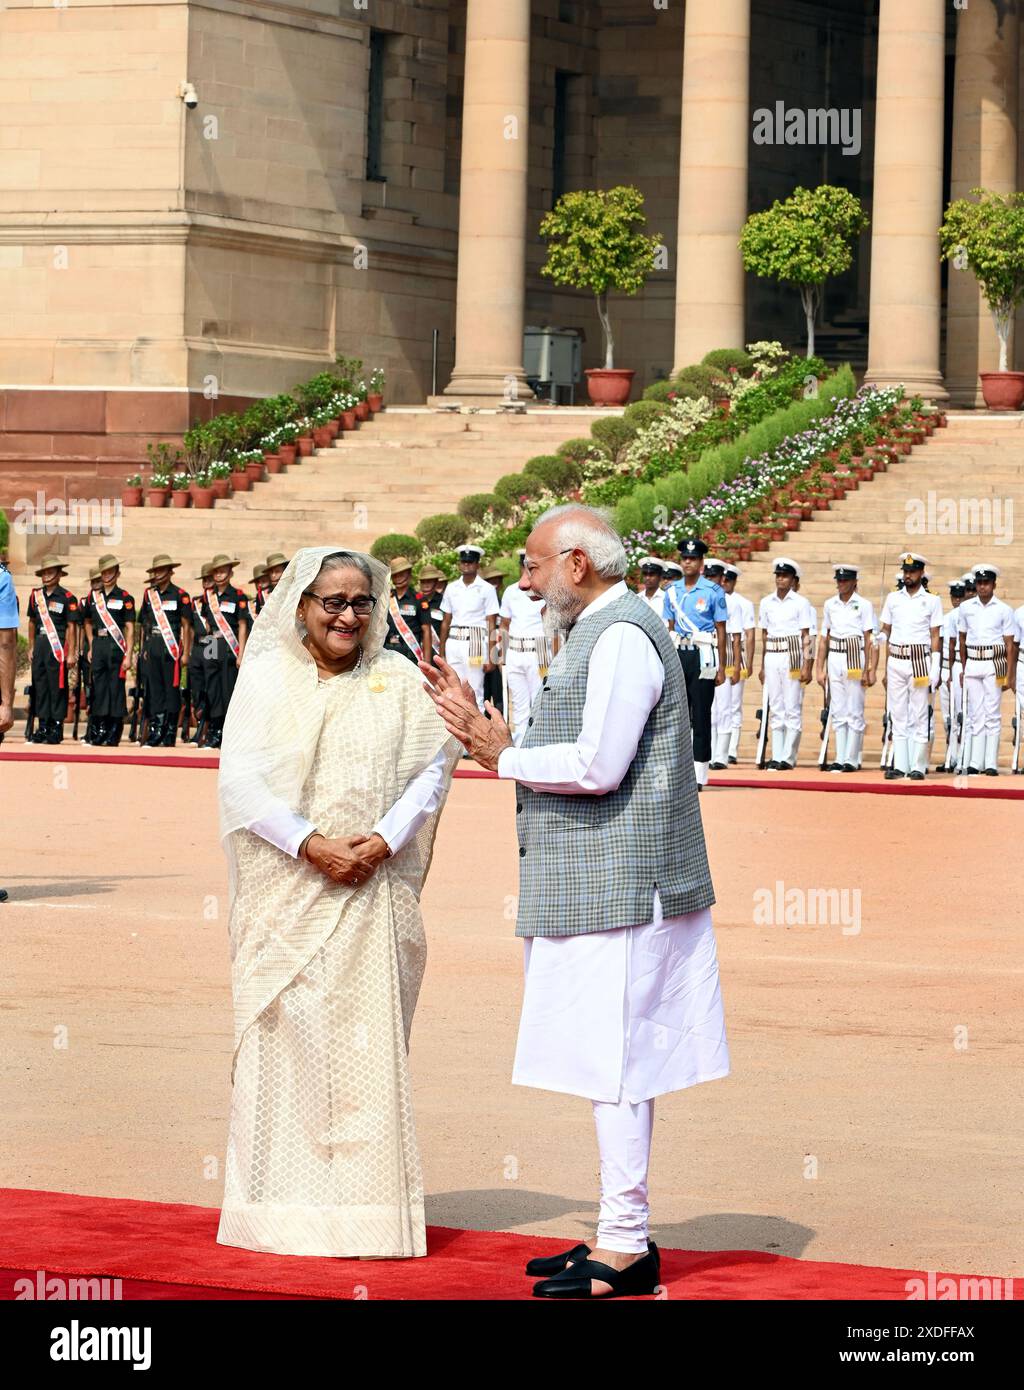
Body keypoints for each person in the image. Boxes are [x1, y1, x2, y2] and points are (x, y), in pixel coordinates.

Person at [421, 504, 729, 1301]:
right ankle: (619, 1233)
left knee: (617, 1063)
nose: (522, 580)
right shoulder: (600, 627)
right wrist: (486, 728)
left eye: (530, 566)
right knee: (610, 1060)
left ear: (576, 564)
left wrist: (505, 754)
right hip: (602, 879)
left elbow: (598, 764)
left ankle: (626, 1247)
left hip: (625, 882)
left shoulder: (620, 634)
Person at [216, 546, 462, 1258]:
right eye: (334, 602)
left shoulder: (397, 679)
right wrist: (309, 843)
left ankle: (367, 1219)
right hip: (286, 896)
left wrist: (385, 839)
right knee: (286, 1049)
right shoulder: (267, 680)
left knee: (364, 1056)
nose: (349, 616)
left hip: (372, 896)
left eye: (361, 602)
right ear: (302, 607)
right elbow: (242, 784)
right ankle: (278, 1216)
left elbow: (432, 769)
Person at [662, 538, 727, 788]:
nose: (687, 562)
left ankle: (700, 773)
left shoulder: (713, 592)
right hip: (680, 652)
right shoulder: (672, 592)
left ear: (701, 563)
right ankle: (679, 771)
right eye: (684, 558)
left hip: (703, 655)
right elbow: (669, 628)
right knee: (678, 715)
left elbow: (721, 629)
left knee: (701, 713)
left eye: (693, 558)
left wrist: (722, 666)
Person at [878, 552, 943, 780]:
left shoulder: (932, 600)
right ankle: (901, 764)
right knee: (897, 712)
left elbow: (935, 635)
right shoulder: (893, 598)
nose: (908, 575)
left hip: (919, 659)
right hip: (896, 658)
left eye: (912, 571)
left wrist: (935, 665)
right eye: (905, 571)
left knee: (918, 712)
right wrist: (881, 638)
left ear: (921, 573)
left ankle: (917, 765)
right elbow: (886, 627)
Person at [956, 563, 1017, 775]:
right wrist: (964, 668)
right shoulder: (965, 608)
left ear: (994, 584)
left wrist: (1009, 674)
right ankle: (975, 761)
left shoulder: (1004, 609)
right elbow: (962, 640)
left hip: (994, 662)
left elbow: (1009, 644)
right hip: (973, 659)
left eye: (986, 583)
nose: (982, 587)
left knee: (992, 713)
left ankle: (990, 762)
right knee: (975, 713)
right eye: (979, 583)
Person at [816, 563, 874, 772]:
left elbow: (869, 638)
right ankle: (840, 756)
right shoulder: (830, 604)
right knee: (838, 709)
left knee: (855, 708)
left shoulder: (864, 605)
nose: (841, 584)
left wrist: (869, 667)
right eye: (839, 580)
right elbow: (824, 638)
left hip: (854, 654)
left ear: (854, 582)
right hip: (836, 655)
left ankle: (852, 757)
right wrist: (819, 668)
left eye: (845, 580)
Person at [757, 558, 810, 770]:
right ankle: (777, 754)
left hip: (792, 654)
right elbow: (764, 634)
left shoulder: (800, 602)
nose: (780, 579)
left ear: (793, 580)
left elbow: (807, 635)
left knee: (792, 706)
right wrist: (762, 664)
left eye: (785, 576)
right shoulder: (766, 602)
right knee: (776, 706)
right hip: (772, 653)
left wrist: (806, 663)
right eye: (778, 575)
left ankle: (788, 756)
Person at [136, 553, 193, 748]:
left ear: (170, 572)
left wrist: (186, 652)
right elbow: (144, 623)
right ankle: (156, 729)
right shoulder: (148, 594)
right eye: (156, 570)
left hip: (171, 648)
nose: (159, 574)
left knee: (171, 690)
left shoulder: (180, 595)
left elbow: (187, 625)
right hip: (153, 646)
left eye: (162, 570)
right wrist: (143, 647)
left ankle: (169, 731)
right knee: (155, 689)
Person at [437, 544, 499, 715]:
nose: (466, 565)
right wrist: (442, 651)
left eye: (470, 562)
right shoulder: (451, 588)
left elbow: (492, 623)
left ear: (477, 564)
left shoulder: (486, 589)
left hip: (476, 641)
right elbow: (445, 621)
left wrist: (492, 655)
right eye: (464, 562)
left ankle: (477, 733)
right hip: (454, 641)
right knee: (455, 689)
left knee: (475, 690)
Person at [26, 553, 81, 744]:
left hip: (58, 648)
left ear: (59, 574)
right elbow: (32, 622)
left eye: (51, 572)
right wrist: (31, 646)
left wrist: (72, 652)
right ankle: (42, 727)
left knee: (57, 687)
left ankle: (56, 727)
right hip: (40, 645)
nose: (47, 575)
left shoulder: (67, 598)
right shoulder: (35, 596)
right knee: (40, 686)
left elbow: (71, 627)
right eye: (44, 572)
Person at [499, 549, 551, 745]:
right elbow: (504, 624)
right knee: (519, 705)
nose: (527, 569)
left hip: (539, 650)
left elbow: (554, 625)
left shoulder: (545, 590)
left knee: (539, 701)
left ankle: (537, 745)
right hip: (514, 650)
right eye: (524, 565)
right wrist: (501, 656)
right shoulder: (512, 591)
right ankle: (520, 747)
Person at [82, 553, 135, 747]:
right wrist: (90, 642)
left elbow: (130, 627)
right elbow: (86, 621)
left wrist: (128, 654)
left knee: (116, 689)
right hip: (100, 644)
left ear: (117, 573)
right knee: (99, 688)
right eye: (104, 571)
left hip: (116, 647)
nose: (106, 575)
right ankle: (100, 728)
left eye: (110, 571)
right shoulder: (93, 597)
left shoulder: (125, 597)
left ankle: (114, 730)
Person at [200, 552, 249, 749]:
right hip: (212, 644)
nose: (220, 575)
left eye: (223, 571)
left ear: (230, 573)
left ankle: (229, 733)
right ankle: (214, 731)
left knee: (228, 689)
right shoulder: (208, 597)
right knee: (212, 689)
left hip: (231, 646)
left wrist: (241, 653)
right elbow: (206, 625)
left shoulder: (238, 596)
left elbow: (243, 625)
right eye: (217, 572)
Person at [703, 557, 742, 770]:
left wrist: (734, 666)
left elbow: (735, 638)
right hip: (706, 656)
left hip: (723, 657)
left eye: (715, 577)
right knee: (709, 707)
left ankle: (722, 754)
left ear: (722, 578)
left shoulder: (731, 602)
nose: (711, 580)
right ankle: (708, 753)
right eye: (708, 576)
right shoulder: (701, 597)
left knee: (725, 707)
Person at [720, 563, 755, 765]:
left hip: (736, 654)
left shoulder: (743, 603)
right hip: (720, 653)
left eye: (728, 580)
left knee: (734, 704)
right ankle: (722, 748)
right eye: (722, 579)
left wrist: (748, 662)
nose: (725, 583)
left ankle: (732, 748)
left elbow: (749, 634)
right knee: (720, 705)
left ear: (734, 581)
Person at [938, 579, 966, 773]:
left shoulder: (965, 616)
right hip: (946, 666)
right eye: (953, 596)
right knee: (947, 716)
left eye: (960, 595)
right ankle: (951, 755)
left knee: (960, 714)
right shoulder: (947, 617)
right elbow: (940, 646)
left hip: (957, 665)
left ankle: (960, 756)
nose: (956, 599)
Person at [385, 556, 432, 665]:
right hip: (388, 652)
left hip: (410, 654)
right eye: (395, 575)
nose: (399, 577)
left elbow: (426, 630)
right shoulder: (387, 597)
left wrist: (427, 662)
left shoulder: (419, 599)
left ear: (409, 574)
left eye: (402, 573)